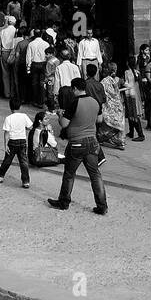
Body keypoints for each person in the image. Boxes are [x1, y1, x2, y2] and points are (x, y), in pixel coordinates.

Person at [48, 77, 108, 215]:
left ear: (75, 88)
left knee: (69, 174)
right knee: (95, 175)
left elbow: (64, 124)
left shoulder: (74, 103)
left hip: (77, 143)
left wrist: (60, 115)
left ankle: (64, 202)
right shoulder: (94, 101)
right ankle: (102, 205)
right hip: (92, 142)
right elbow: (100, 119)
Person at [0, 97, 33, 187]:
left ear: (10, 107)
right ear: (20, 107)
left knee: (8, 160)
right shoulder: (24, 116)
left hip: (12, 141)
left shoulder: (8, 118)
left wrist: (5, 145)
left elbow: (6, 133)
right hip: (22, 141)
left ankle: (0, 175)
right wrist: (24, 129)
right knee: (23, 162)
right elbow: (30, 127)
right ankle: (26, 181)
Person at [99, 63, 126, 150]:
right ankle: (119, 141)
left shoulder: (104, 81)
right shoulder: (114, 80)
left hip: (109, 105)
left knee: (107, 124)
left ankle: (107, 139)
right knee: (118, 123)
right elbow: (116, 93)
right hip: (117, 105)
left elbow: (103, 94)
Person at [123, 55, 145, 142]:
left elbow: (126, 83)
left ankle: (141, 135)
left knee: (133, 114)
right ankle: (131, 132)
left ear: (127, 63)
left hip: (130, 95)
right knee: (132, 114)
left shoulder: (127, 72)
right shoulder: (137, 72)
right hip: (136, 95)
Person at [0, 15, 18, 100]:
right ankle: (13, 93)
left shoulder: (2, 31)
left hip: (4, 52)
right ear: (14, 22)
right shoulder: (16, 30)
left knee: (5, 73)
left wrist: (0, 54)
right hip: (13, 52)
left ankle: (7, 93)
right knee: (13, 73)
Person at [26, 30, 48, 106]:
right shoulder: (46, 44)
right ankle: (41, 102)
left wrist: (28, 68)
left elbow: (28, 57)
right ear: (41, 34)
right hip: (43, 64)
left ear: (34, 35)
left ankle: (35, 101)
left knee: (34, 83)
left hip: (34, 64)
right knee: (42, 83)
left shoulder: (31, 44)